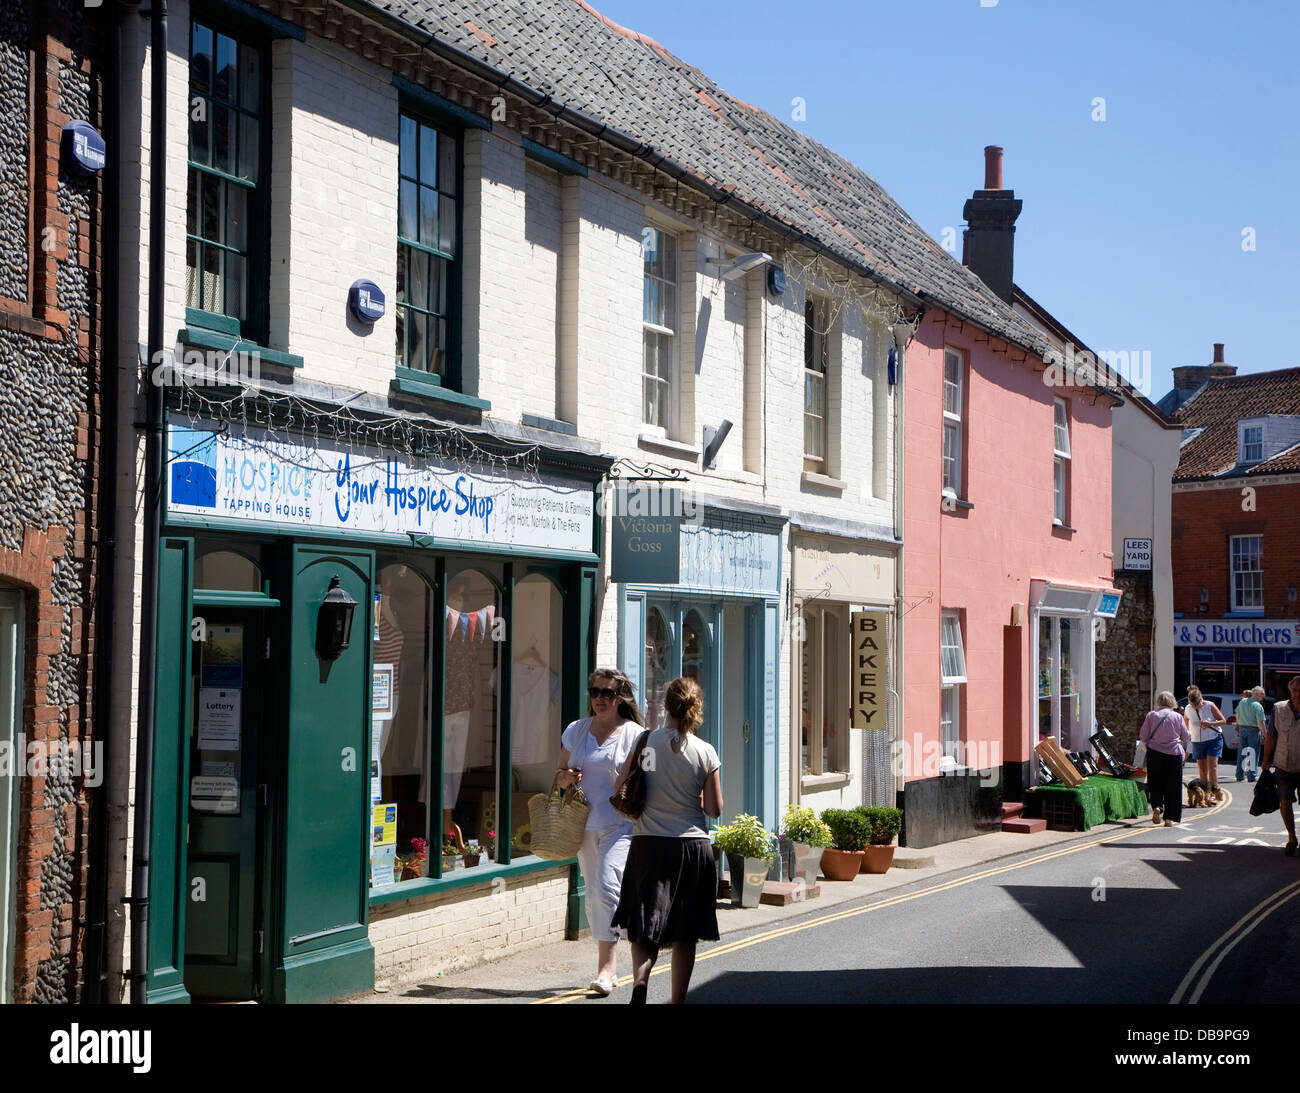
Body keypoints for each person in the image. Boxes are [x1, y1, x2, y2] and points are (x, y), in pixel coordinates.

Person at [611, 676, 723, 1004]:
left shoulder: (648, 744)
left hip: (649, 844)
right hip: (691, 847)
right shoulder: (705, 752)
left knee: (645, 924)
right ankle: (677, 1001)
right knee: (685, 932)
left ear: (666, 706)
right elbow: (714, 809)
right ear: (695, 708)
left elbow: (623, 787)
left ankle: (640, 985)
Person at [555, 669, 643, 996]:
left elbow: (650, 778)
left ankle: (607, 968)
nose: (600, 699)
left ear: (620, 697)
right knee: (593, 893)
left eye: (607, 693)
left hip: (622, 825)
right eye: (595, 692)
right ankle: (610, 959)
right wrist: (566, 778)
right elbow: (559, 774)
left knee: (607, 885)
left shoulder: (635, 734)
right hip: (582, 824)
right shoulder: (576, 731)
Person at [1261, 675, 1300, 856]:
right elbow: (1271, 736)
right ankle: (1292, 837)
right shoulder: (1279, 708)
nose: (1296, 694)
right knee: (1285, 802)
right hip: (1283, 764)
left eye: (1299, 691)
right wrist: (1266, 759)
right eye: (1294, 691)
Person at [1139, 692, 1191, 827]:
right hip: (1173, 755)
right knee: (1173, 787)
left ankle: (1157, 806)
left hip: (1155, 753)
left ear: (1159, 701)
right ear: (1172, 702)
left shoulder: (1151, 715)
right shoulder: (1177, 717)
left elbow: (1143, 736)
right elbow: (1186, 736)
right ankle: (1169, 818)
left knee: (1155, 783)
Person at [1184, 687, 1227, 801]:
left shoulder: (1209, 705)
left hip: (1213, 739)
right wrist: (1188, 732)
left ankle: (1213, 792)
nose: (1194, 707)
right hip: (1197, 741)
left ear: (1201, 700)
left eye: (1196, 704)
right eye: (1192, 704)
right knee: (1202, 769)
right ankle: (1205, 792)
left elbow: (1223, 721)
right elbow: (1186, 720)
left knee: (1212, 767)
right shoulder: (1188, 708)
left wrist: (1211, 723)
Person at [1235, 685, 1267, 784]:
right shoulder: (1257, 705)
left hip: (1242, 728)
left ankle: (1239, 775)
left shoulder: (1242, 701)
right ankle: (1251, 775)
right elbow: (1260, 722)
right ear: (1256, 694)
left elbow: (1237, 715)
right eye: (1262, 694)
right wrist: (1265, 734)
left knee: (1242, 752)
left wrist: (1238, 725)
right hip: (1253, 730)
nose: (1264, 695)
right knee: (1253, 753)